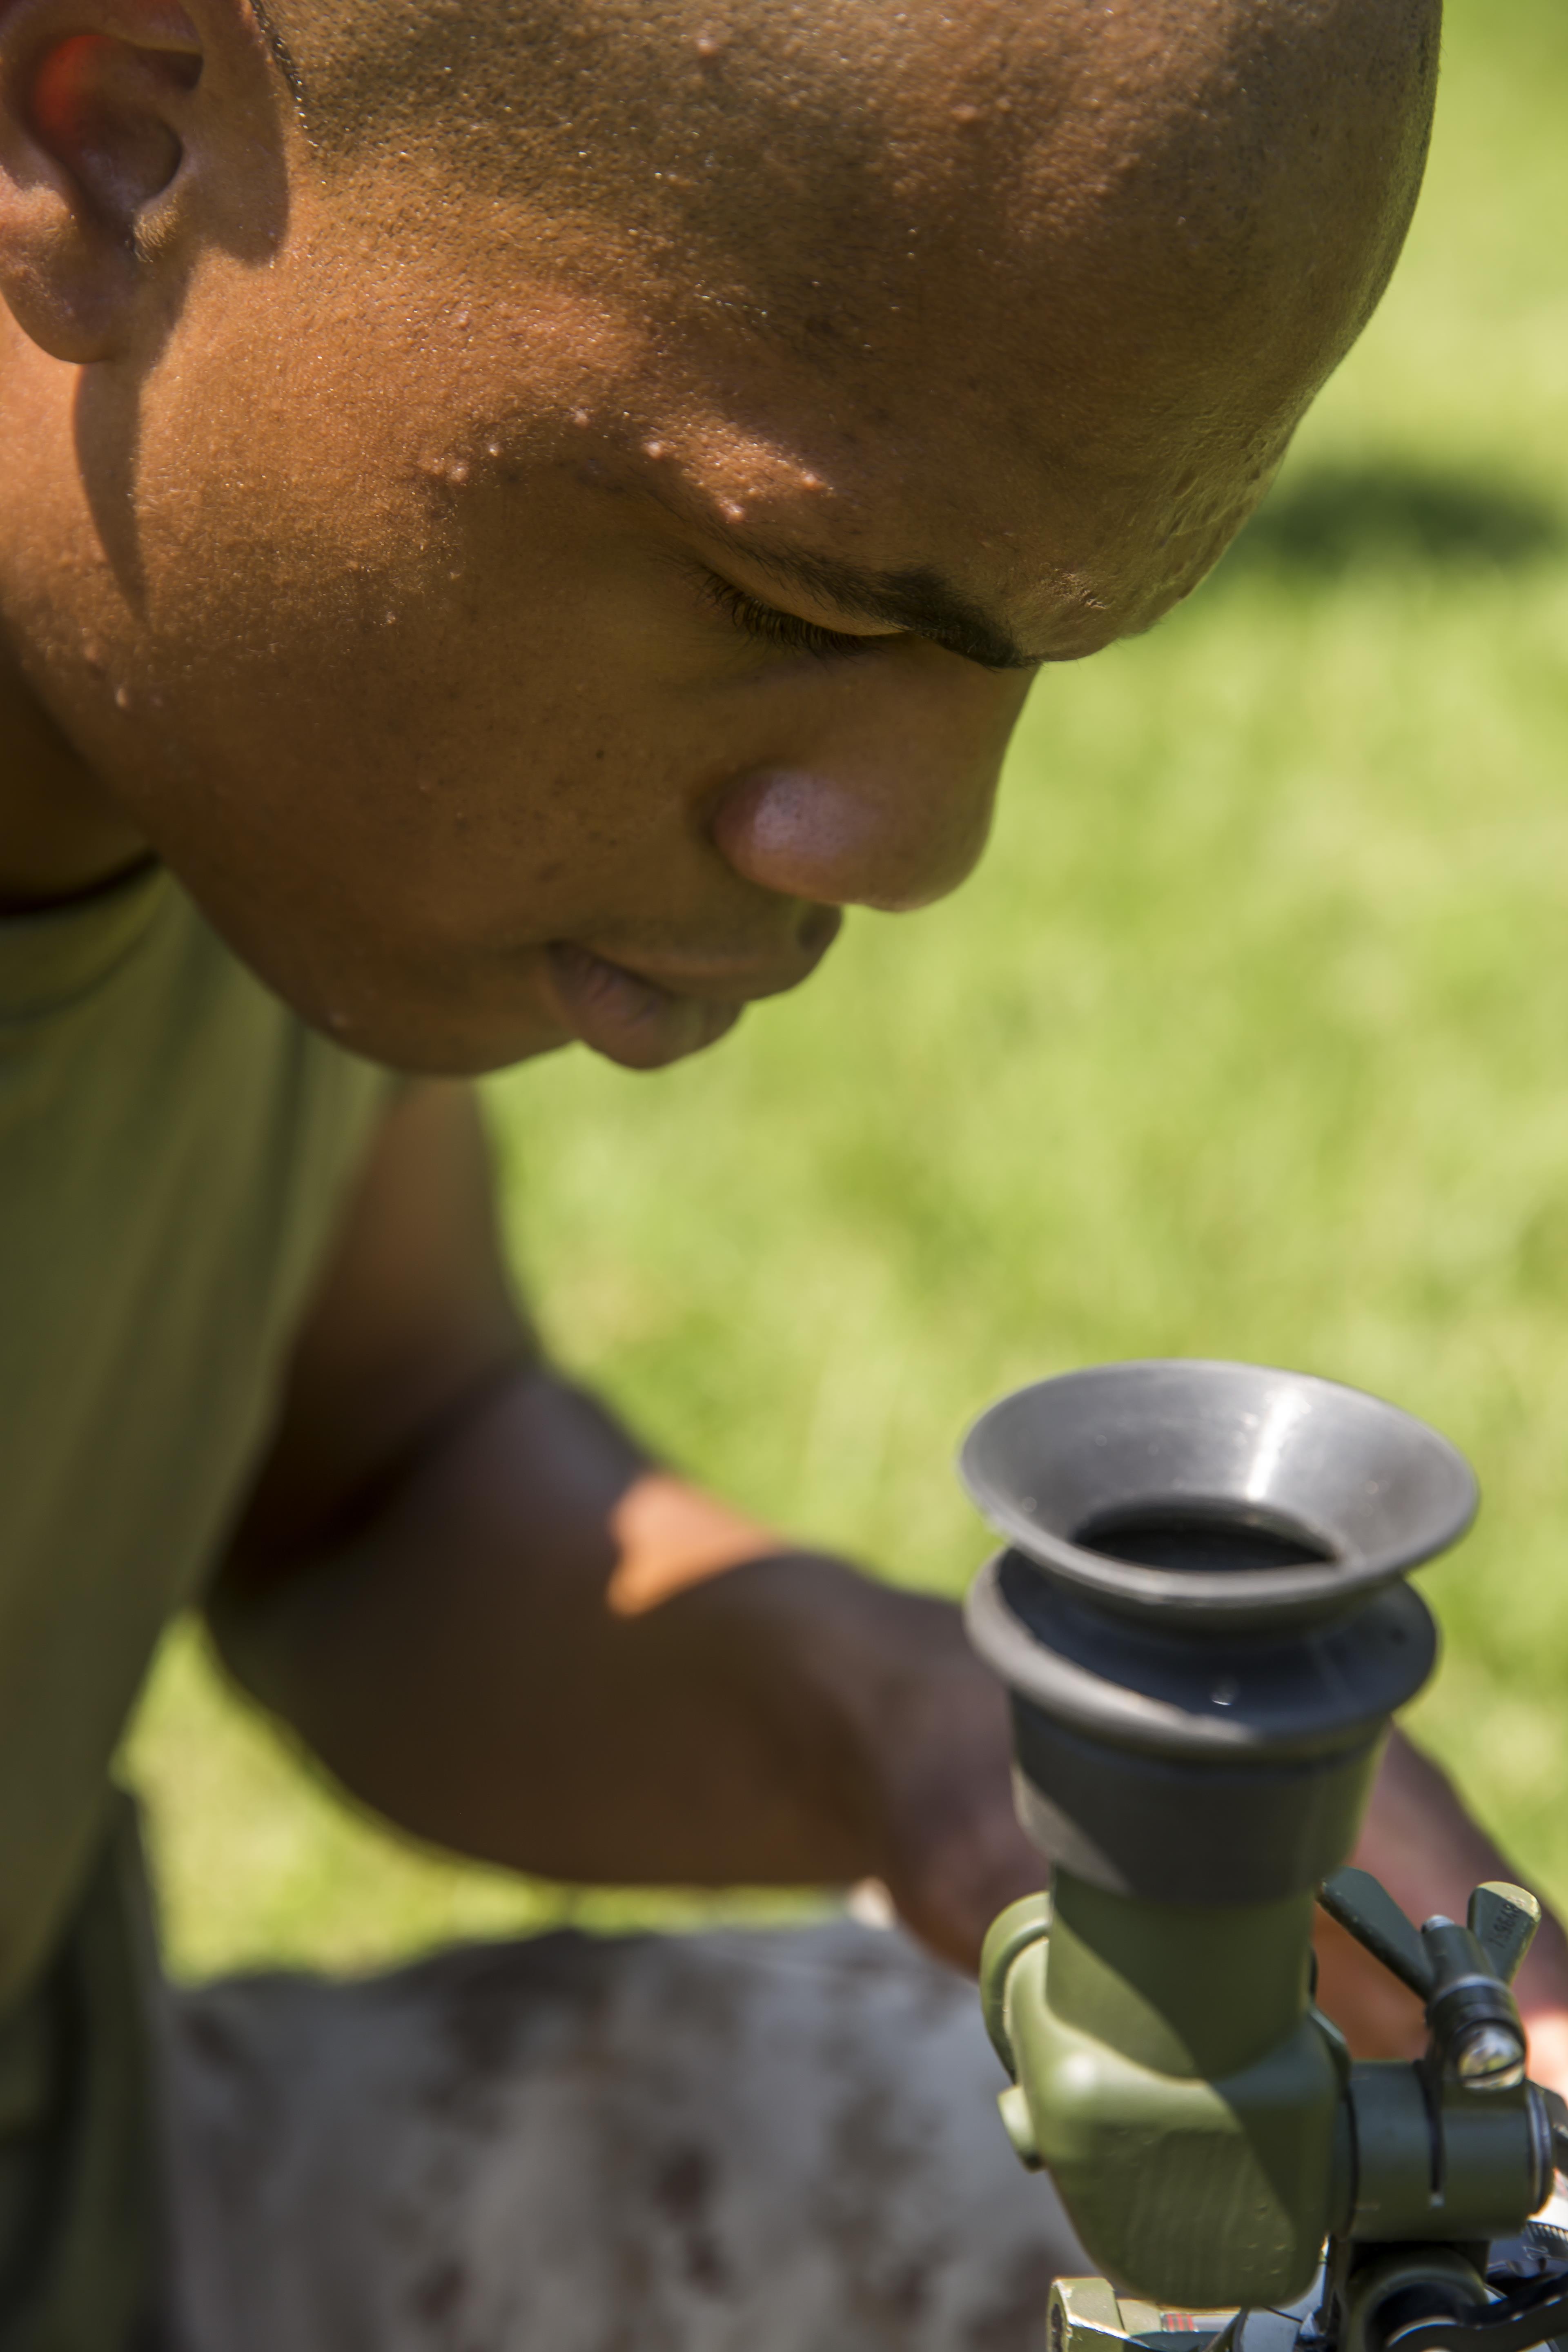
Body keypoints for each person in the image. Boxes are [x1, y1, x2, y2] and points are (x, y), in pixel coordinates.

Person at [1, 0, 1560, 2341]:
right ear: (112, 147)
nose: (917, 844)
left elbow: (380, 1481)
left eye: (1041, 652)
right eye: (791, 601)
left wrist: (920, 1732)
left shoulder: (243, 780)